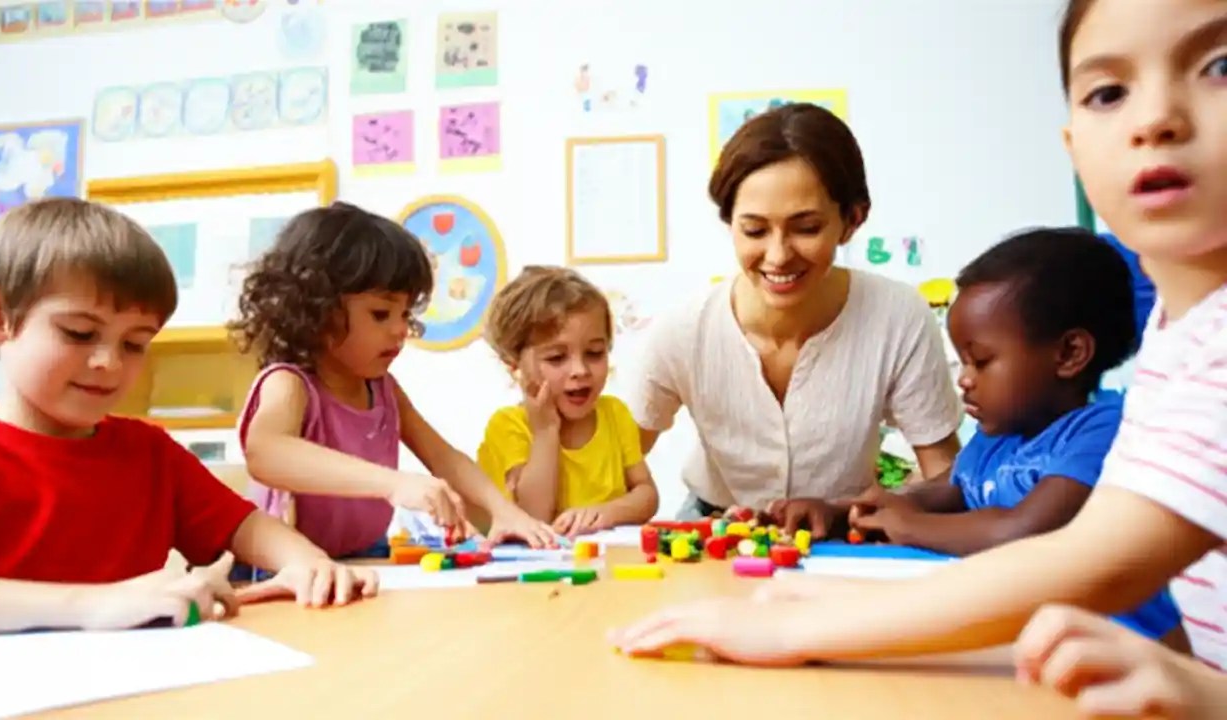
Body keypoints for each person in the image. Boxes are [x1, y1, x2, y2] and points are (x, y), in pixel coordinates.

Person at [611, 0, 1227, 715]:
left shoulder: (1182, 364)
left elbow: (1088, 557)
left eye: (1219, 66)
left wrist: (811, 617)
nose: (1155, 119)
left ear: (852, 220)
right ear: (1073, 144)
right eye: (1108, 92)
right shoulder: (1177, 342)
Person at [0, 198, 377, 636]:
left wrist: (307, 562)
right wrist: (90, 605)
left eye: (134, 344)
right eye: (79, 333)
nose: (109, 363)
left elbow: (246, 526)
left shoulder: (149, 453)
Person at [630, 102, 961, 536]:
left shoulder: (898, 318)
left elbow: (949, 478)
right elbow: (607, 470)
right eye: (754, 230)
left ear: (852, 220)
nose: (778, 255)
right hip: (716, 530)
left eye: (805, 228)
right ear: (729, 222)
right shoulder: (681, 331)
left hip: (845, 530)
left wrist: (887, 510)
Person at [851, 227, 1179, 639]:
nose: (965, 380)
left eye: (981, 362)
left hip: (1123, 646)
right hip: (1033, 640)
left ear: (1069, 354)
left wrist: (910, 526)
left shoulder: (1102, 432)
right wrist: (856, 508)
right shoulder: (999, 433)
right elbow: (944, 492)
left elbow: (1024, 531)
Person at [231, 202, 555, 579]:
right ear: (316, 308)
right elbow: (266, 452)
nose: (400, 330)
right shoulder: (289, 383)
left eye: (405, 314)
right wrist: (394, 483)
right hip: (285, 570)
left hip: (361, 558)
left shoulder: (382, 388)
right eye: (381, 314)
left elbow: (444, 458)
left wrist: (503, 510)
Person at [476, 266, 659, 536]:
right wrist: (545, 431)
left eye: (595, 353)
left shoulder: (615, 414)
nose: (580, 370)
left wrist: (607, 512)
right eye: (556, 358)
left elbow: (647, 495)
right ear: (514, 366)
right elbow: (533, 514)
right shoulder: (508, 426)